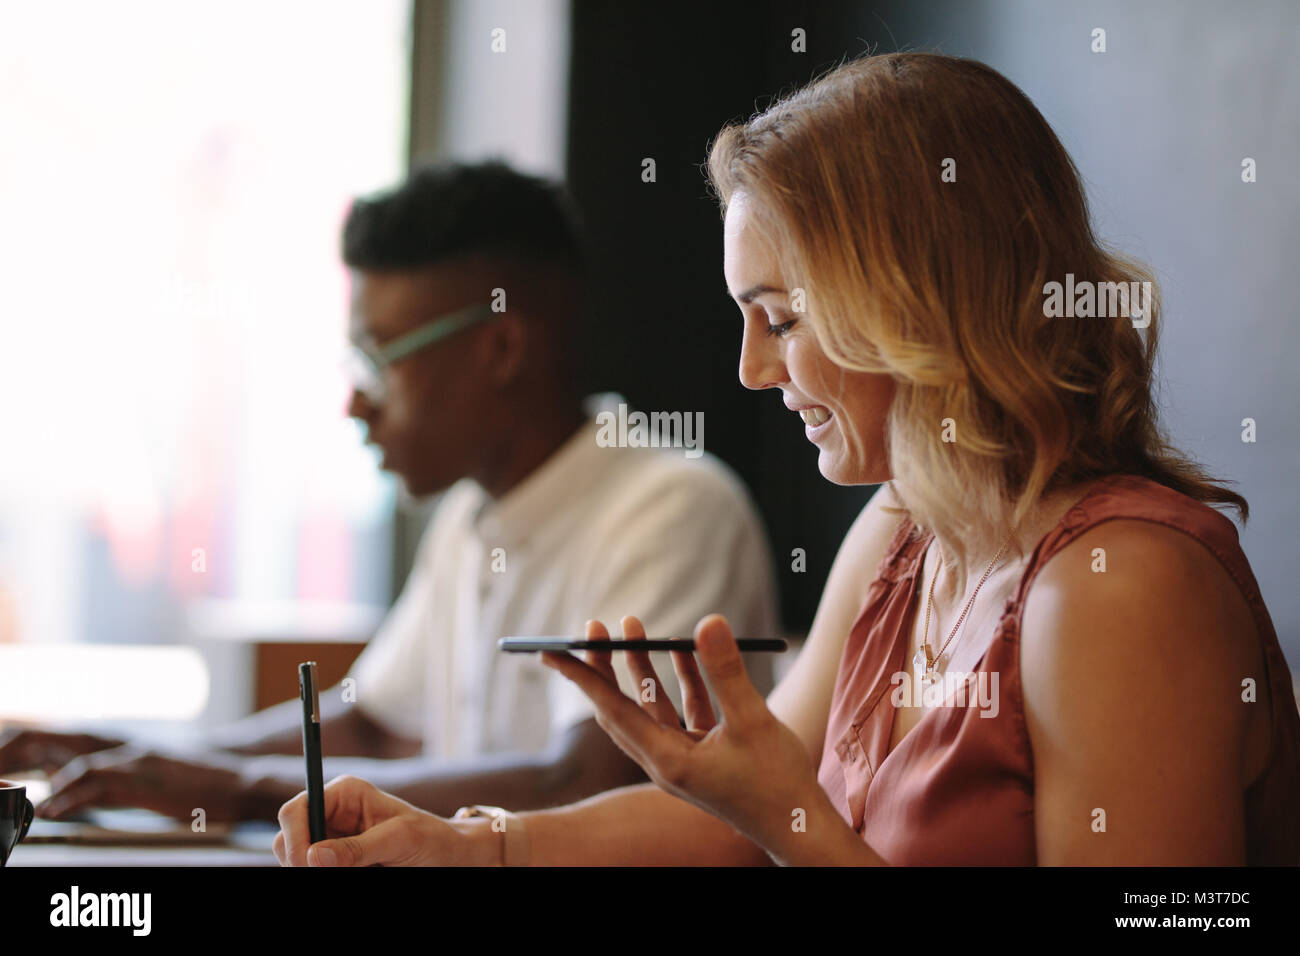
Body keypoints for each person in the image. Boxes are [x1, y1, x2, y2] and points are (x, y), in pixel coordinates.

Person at [275, 53, 1300, 866]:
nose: (752, 369)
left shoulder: (1122, 585)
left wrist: (788, 817)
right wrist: (462, 846)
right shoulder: (903, 530)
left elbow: (785, 825)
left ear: (912, 304)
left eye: (780, 317)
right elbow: (737, 829)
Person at [0, 161, 779, 822]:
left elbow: (581, 781)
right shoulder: (473, 514)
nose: (355, 403)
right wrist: (141, 758)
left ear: (502, 346)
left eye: (381, 361)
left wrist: (233, 789)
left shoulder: (674, 510)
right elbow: (373, 725)